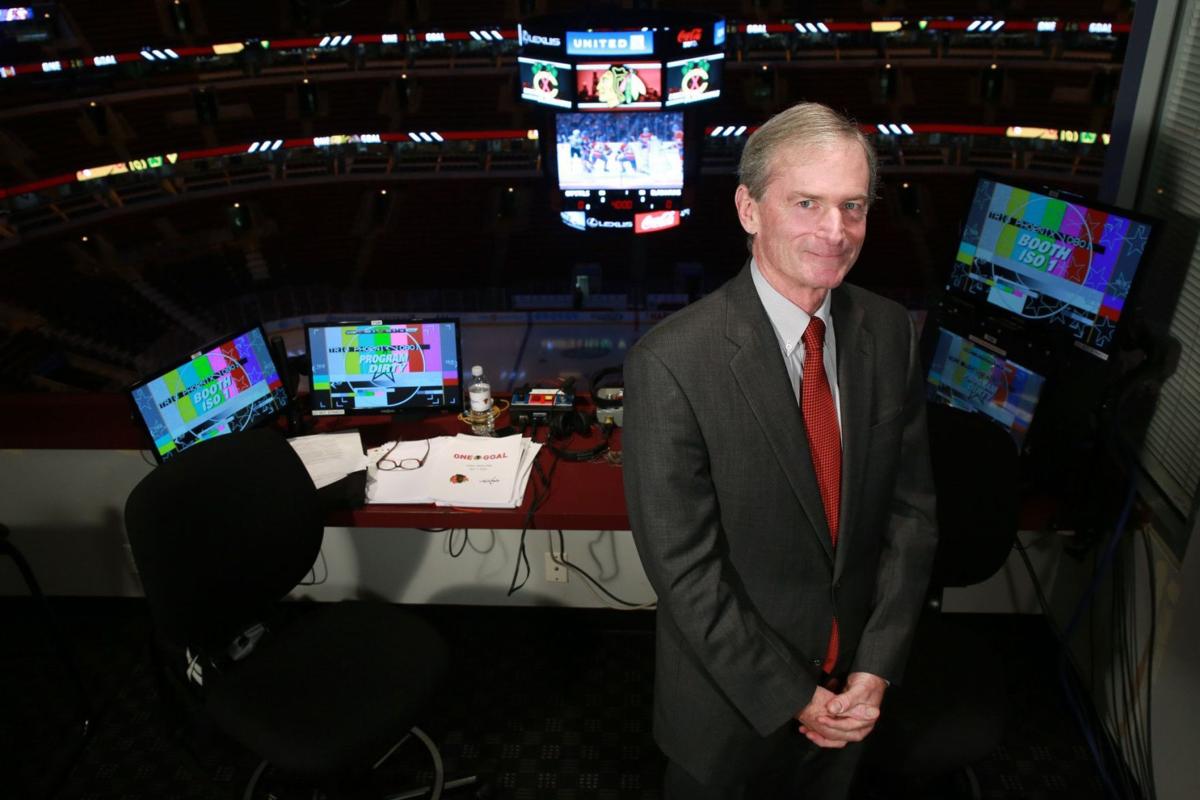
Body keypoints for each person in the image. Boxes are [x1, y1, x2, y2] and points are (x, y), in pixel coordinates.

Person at [622, 101, 939, 799]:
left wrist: (875, 668)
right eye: (807, 203)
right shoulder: (670, 362)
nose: (835, 232)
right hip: (733, 705)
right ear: (749, 208)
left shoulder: (890, 333)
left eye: (852, 206)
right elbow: (685, 576)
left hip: (855, 696)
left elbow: (911, 518)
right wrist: (796, 697)